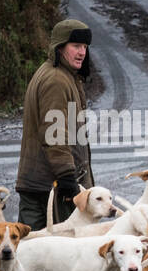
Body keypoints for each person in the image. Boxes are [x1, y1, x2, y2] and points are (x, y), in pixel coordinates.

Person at [16, 19, 96, 230]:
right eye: (76, 46)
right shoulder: (56, 81)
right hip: (52, 190)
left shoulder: (60, 75)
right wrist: (68, 178)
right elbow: (55, 134)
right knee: (52, 255)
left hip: (43, 185)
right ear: (59, 47)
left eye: (85, 47)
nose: (82, 52)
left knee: (33, 254)